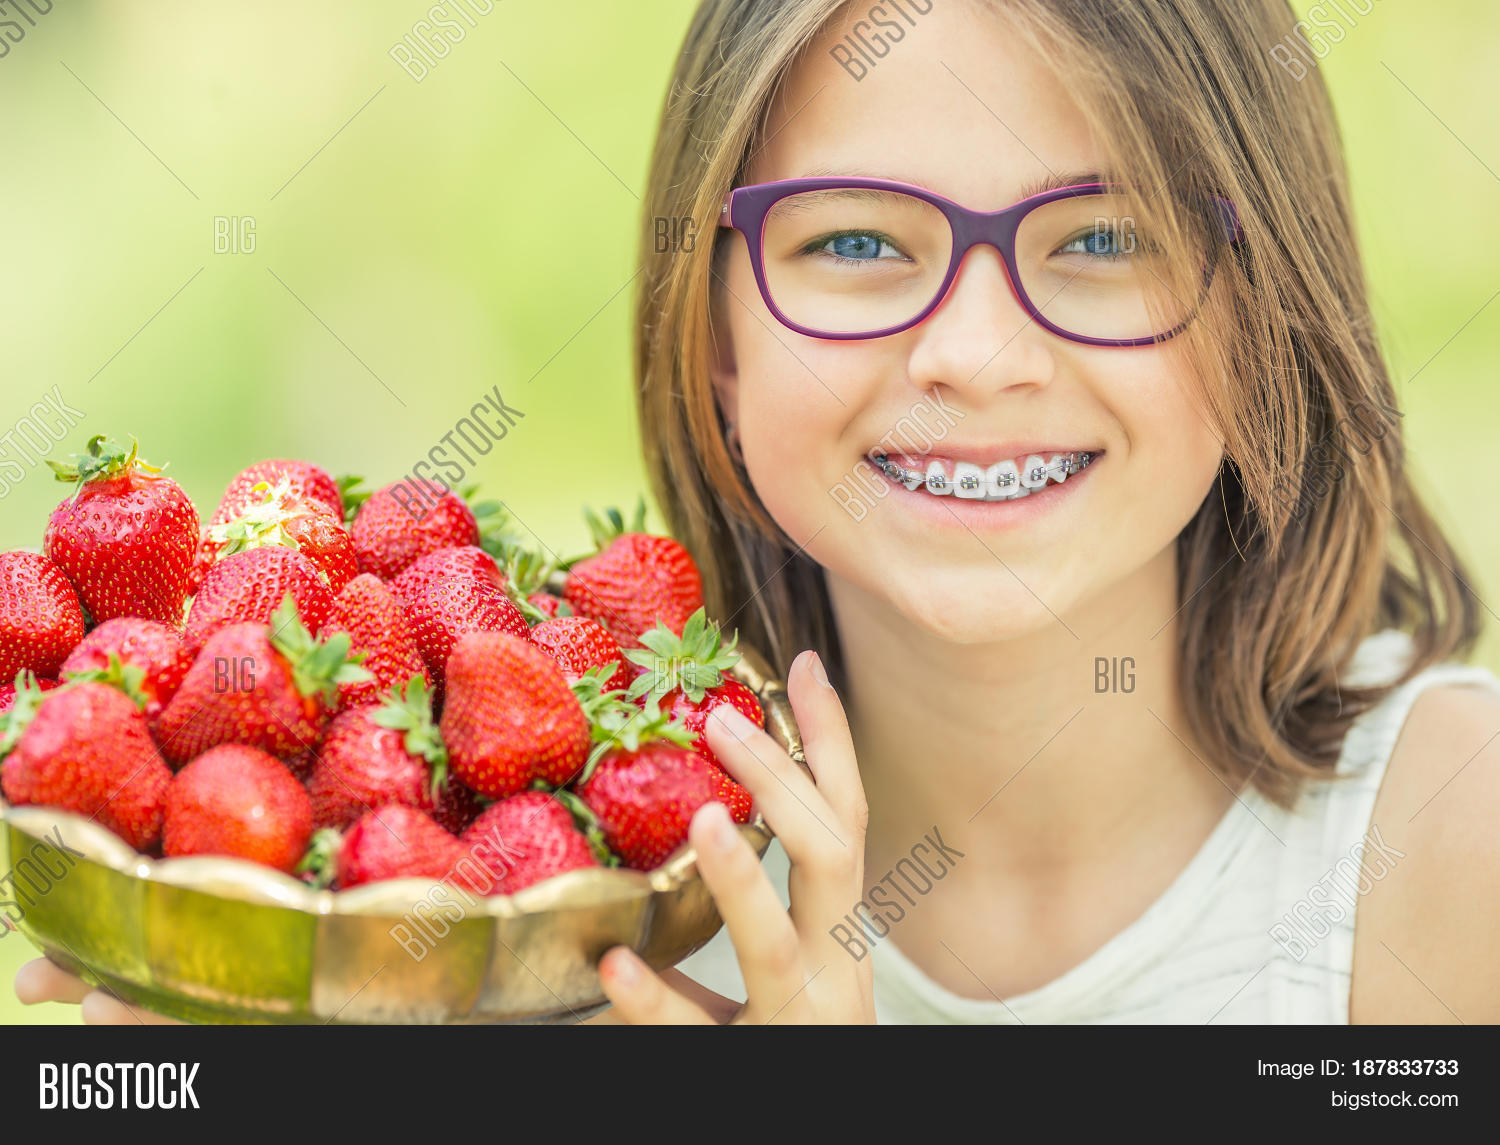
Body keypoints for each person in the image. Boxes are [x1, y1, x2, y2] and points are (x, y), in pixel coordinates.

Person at [19, 0, 1500, 1025]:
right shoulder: (555, 900)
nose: (975, 353)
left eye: (1105, 236)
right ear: (716, 342)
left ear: (1267, 312)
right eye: (856, 241)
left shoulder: (1451, 849)